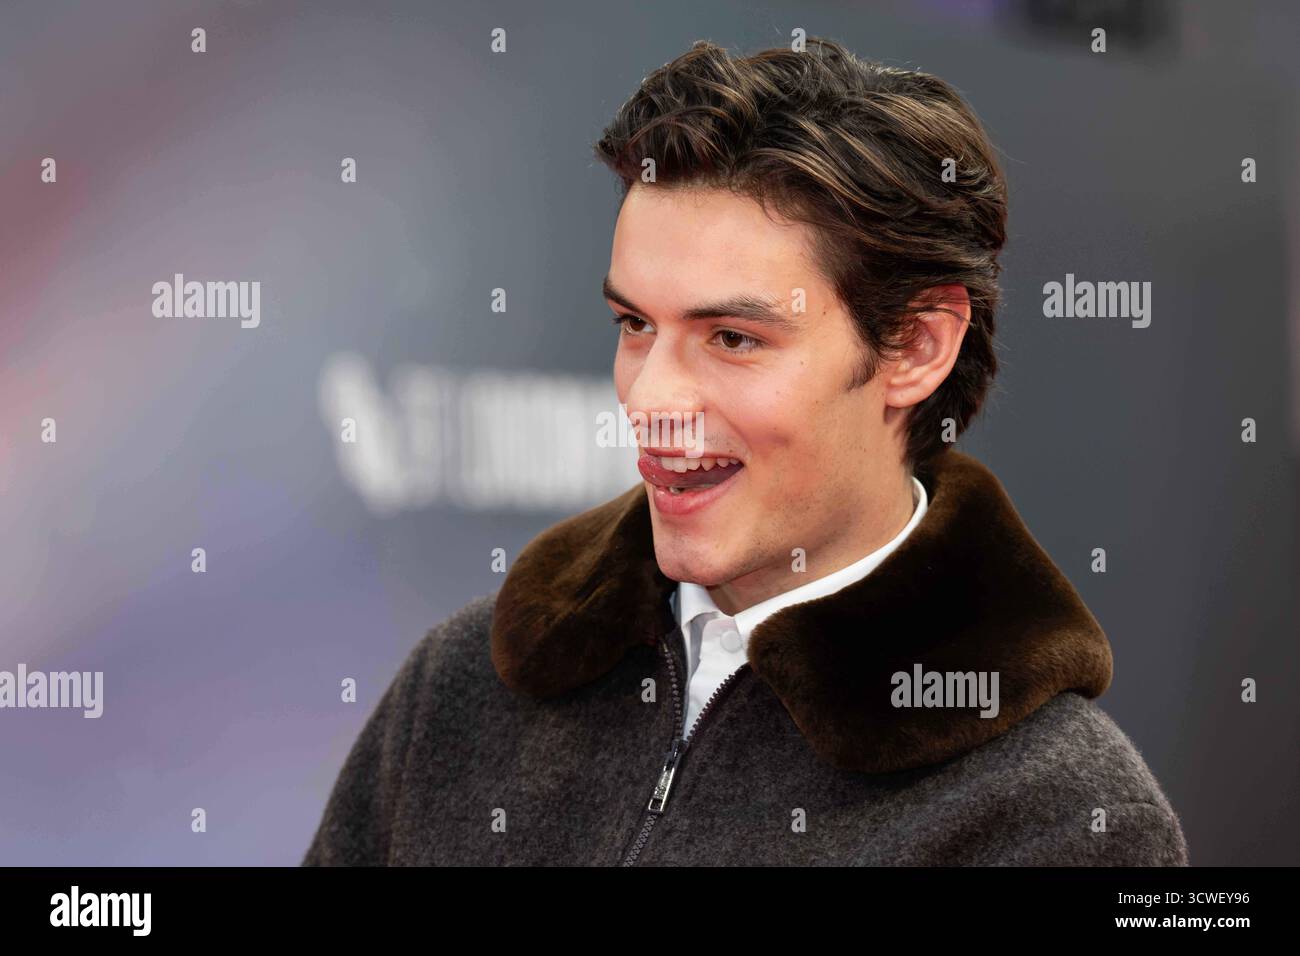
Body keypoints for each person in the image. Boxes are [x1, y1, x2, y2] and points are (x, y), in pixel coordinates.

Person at [302, 36, 1188, 866]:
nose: (649, 400)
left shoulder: (1058, 818)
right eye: (635, 325)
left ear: (917, 347)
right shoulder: (461, 688)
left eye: (731, 338)